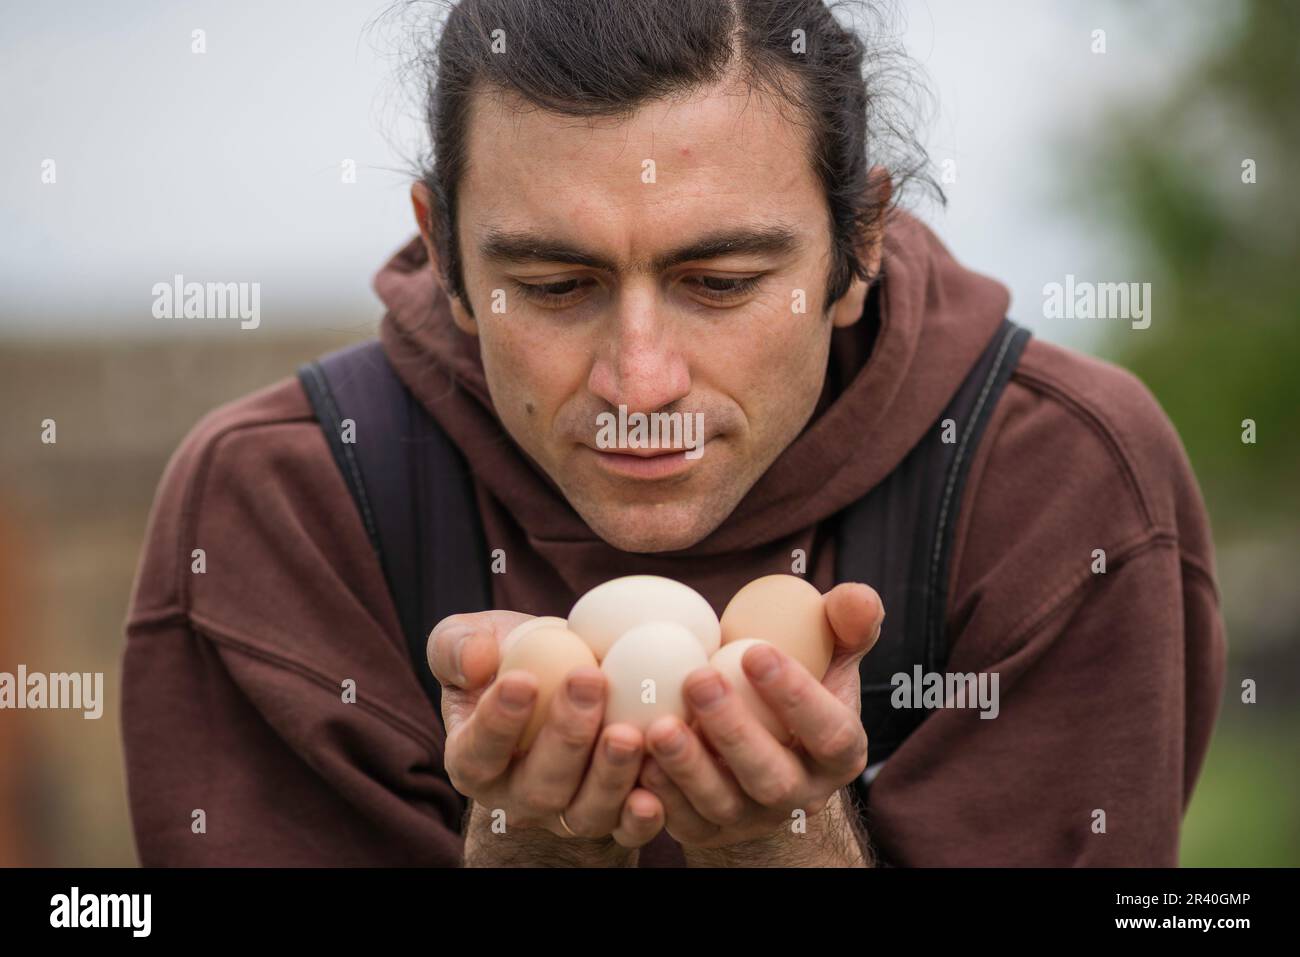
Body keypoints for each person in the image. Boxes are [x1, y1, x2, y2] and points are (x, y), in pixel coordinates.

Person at [121, 0, 1226, 867]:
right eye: (554, 285)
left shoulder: (1057, 480)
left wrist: (783, 850)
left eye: (722, 281)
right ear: (446, 250)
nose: (638, 378)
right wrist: (532, 861)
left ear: (860, 245)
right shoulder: (283, 503)